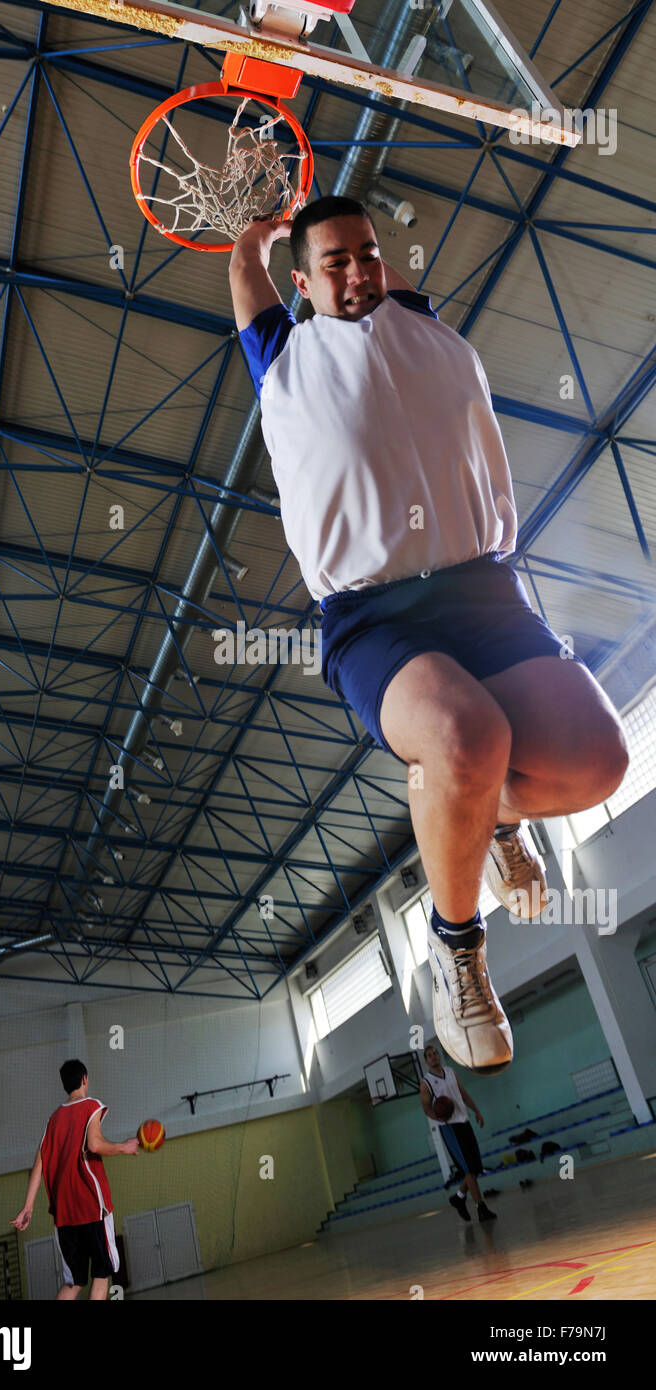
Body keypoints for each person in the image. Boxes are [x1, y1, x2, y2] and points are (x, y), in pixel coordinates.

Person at [228, 195, 628, 1075]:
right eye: (333, 262)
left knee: (600, 763)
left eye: (367, 254)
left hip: (485, 588)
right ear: (303, 281)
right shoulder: (284, 358)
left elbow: (378, 266)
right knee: (463, 736)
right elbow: (248, 280)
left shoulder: (418, 322)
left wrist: (322, 206)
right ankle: (457, 951)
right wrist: (259, 229)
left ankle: (488, 818)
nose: (358, 271)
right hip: (373, 613)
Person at [11, 1059, 139, 1300]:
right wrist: (124, 1147)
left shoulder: (53, 1120)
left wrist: (27, 1207)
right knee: (101, 1273)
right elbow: (94, 1144)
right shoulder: (91, 1106)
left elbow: (39, 1165)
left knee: (74, 1282)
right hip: (90, 1205)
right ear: (84, 1080)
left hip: (64, 1215)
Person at [420, 1042, 495, 1223]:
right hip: (450, 1127)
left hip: (464, 1122)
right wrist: (440, 1119)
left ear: (439, 1056)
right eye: (429, 1055)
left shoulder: (451, 1072)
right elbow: (426, 1109)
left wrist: (476, 1110)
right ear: (426, 1061)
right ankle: (481, 1208)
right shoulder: (426, 1082)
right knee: (468, 1168)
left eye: (435, 1053)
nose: (433, 1057)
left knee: (474, 1168)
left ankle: (459, 1197)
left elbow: (463, 1093)